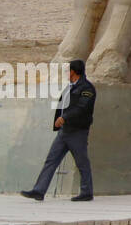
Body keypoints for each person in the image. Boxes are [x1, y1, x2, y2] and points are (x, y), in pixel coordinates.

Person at [19, 59, 96, 201]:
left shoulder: (87, 89)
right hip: (64, 131)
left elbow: (81, 108)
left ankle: (87, 192)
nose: (66, 73)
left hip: (77, 131)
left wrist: (65, 117)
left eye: (68, 70)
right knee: (51, 160)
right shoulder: (70, 87)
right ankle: (39, 190)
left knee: (81, 162)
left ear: (73, 71)